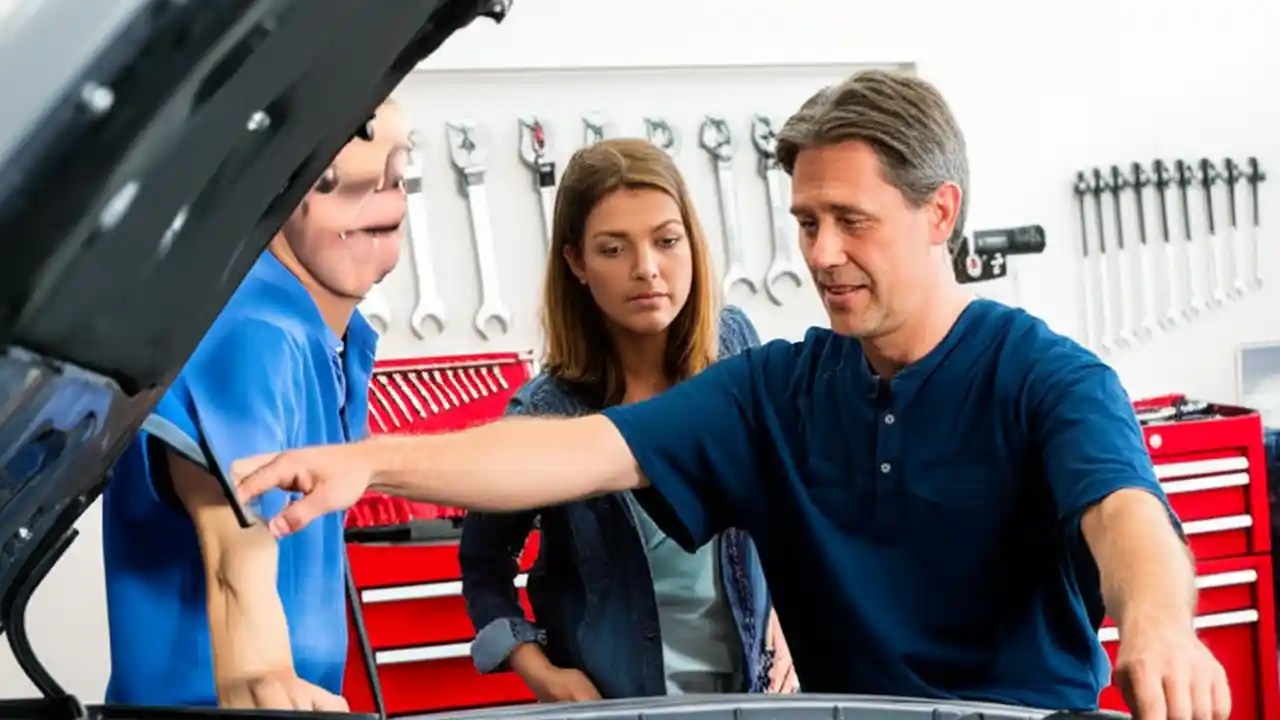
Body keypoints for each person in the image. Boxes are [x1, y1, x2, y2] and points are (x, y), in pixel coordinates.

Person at [232, 71, 1230, 720]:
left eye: (849, 221)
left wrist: (1155, 621)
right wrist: (369, 461)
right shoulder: (775, 390)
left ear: (940, 214)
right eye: (803, 222)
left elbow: (1122, 514)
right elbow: (573, 449)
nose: (820, 255)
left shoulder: (1043, 378)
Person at [458, 138, 796, 702]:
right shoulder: (546, 412)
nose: (647, 269)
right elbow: (482, 565)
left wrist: (786, 613)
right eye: (613, 250)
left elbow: (784, 504)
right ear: (576, 263)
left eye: (667, 241)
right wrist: (545, 675)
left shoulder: (736, 348)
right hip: (617, 702)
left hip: (753, 694)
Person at [101, 100, 410, 709]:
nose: (378, 205)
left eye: (394, 179)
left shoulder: (335, 338)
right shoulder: (248, 327)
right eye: (341, 187)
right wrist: (261, 671)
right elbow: (235, 538)